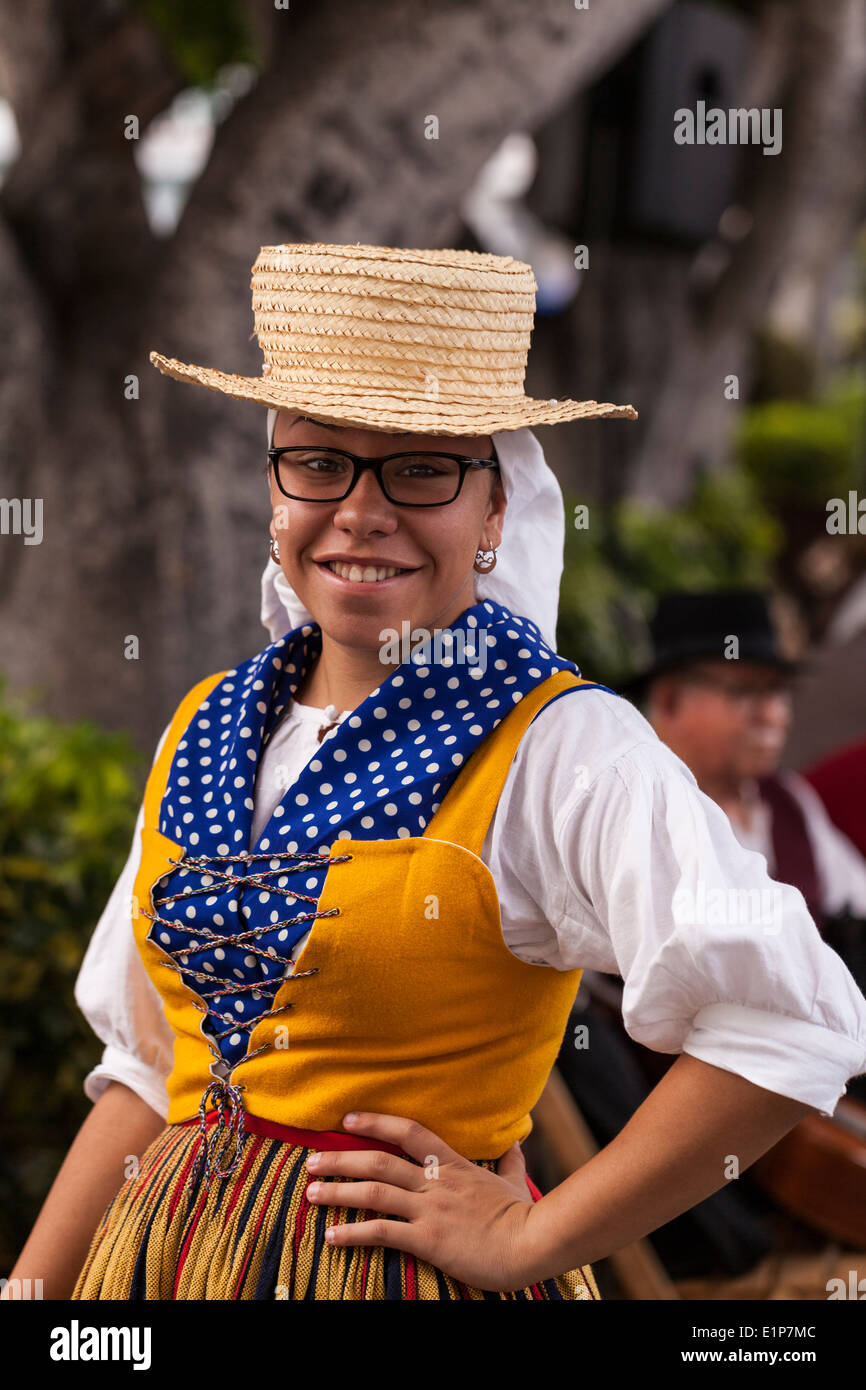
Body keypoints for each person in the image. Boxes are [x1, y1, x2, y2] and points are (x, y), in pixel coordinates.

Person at [7, 244, 866, 1302]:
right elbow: (150, 1066)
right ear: (274, 490)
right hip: (158, 1273)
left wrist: (523, 1239)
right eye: (317, 461)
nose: (360, 510)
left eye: (420, 467)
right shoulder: (208, 725)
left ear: (496, 508)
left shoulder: (560, 746)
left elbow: (789, 1019)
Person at [634, 590, 866, 932]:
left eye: (778, 691)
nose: (775, 715)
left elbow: (856, 900)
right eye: (746, 692)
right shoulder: (639, 813)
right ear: (670, 701)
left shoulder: (789, 801)